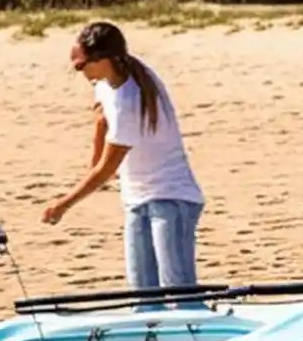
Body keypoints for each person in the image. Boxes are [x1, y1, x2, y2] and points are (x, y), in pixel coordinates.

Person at [42, 21, 205, 296]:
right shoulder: (107, 82)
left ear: (103, 59)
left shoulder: (131, 99)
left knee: (179, 294)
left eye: (81, 66)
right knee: (142, 298)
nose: (79, 73)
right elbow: (101, 124)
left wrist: (63, 204)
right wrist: (90, 162)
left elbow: (106, 170)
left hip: (171, 198)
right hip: (136, 200)